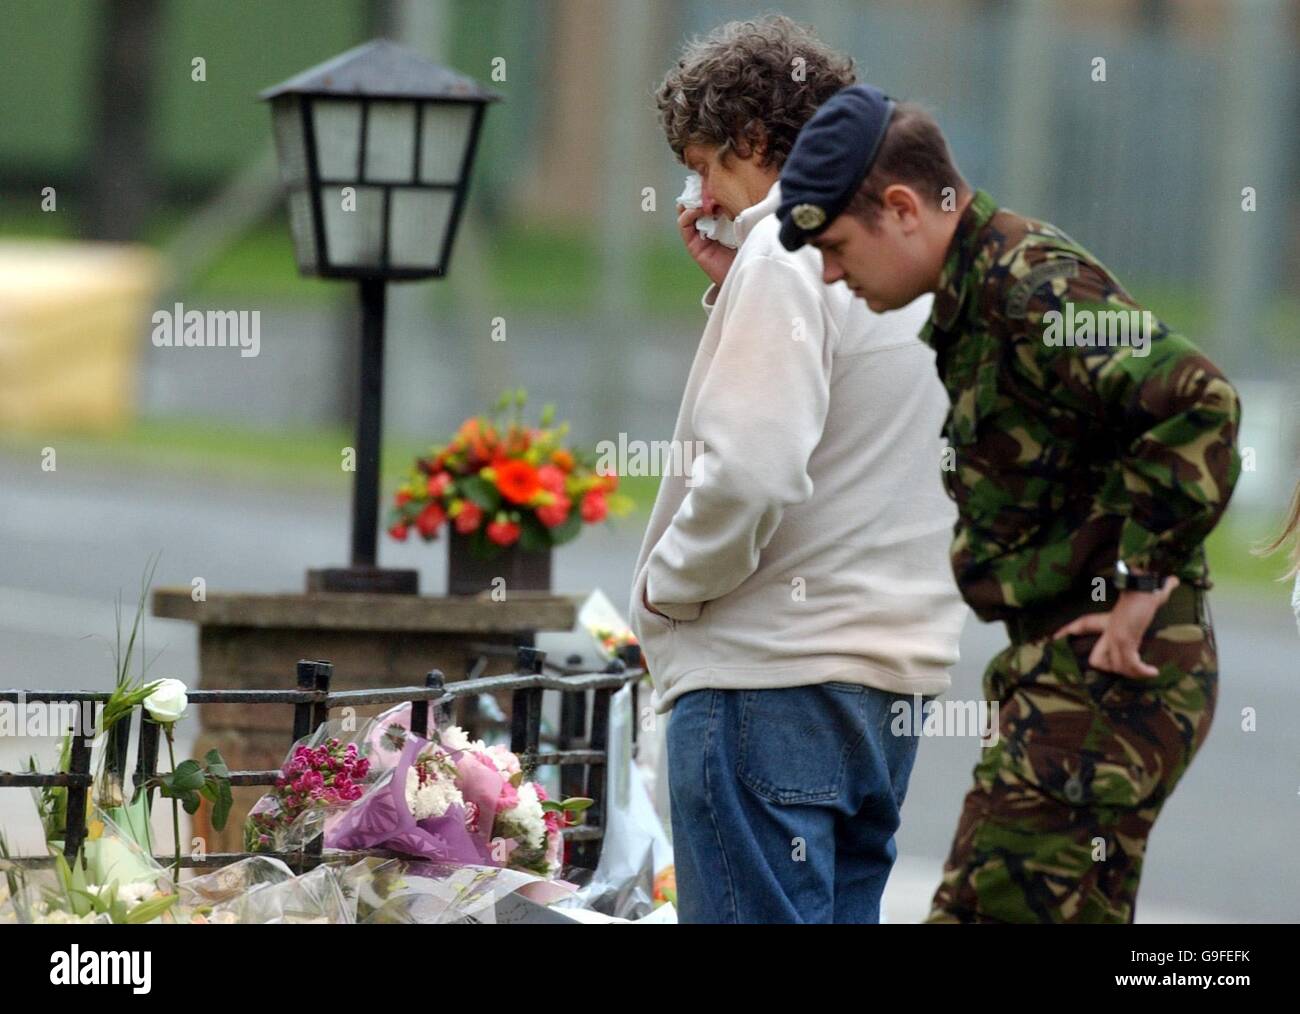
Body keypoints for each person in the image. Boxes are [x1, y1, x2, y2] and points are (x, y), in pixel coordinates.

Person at [777, 85, 1242, 923]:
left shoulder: (1032, 289)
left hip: (1109, 680)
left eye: (840, 247)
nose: (835, 276)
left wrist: (1141, 582)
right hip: (1077, 677)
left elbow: (1200, 398)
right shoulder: (982, 287)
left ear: (902, 207)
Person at [628, 18, 966, 923]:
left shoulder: (786, 247)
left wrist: (672, 585)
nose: (698, 193)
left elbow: (754, 472)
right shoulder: (909, 253)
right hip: (891, 688)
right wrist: (735, 280)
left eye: (704, 165)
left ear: (750, 138)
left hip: (767, 682)